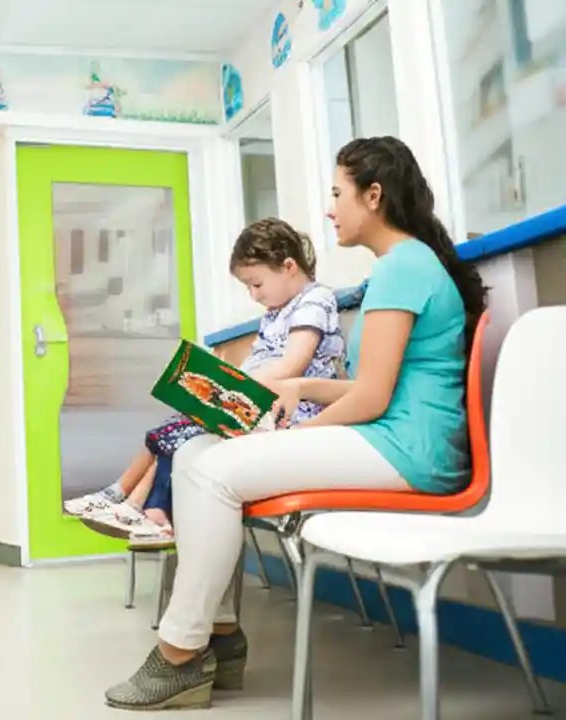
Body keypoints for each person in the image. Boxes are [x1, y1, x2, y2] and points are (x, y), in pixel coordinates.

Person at [103, 135, 486, 711]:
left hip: (406, 449)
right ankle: (223, 638)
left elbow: (374, 398)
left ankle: (181, 652)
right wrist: (302, 387)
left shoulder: (403, 267)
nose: (330, 208)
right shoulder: (403, 266)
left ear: (374, 196)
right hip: (387, 436)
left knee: (214, 472)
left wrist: (298, 433)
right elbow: (372, 386)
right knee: (191, 453)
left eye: (338, 193)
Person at [65, 218, 346, 548]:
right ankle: (129, 502)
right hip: (260, 405)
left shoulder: (315, 300)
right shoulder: (276, 310)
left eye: (257, 284)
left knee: (184, 428)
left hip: (291, 411)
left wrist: (233, 385)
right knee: (178, 425)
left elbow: (292, 365)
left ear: (288, 266)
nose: (254, 295)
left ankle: (129, 501)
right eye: (248, 288)